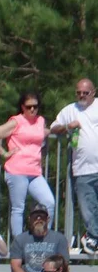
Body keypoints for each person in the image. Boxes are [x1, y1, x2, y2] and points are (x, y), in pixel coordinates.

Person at [0, 91, 53, 237]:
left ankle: (46, 238)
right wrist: (4, 153)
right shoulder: (16, 121)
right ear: (22, 107)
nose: (32, 110)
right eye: (28, 107)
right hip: (17, 170)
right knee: (18, 208)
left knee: (49, 202)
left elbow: (41, 133)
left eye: (35, 106)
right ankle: (18, 244)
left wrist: (49, 131)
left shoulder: (40, 121)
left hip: (35, 171)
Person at [52, 79, 98, 255]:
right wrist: (66, 127)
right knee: (88, 207)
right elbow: (53, 128)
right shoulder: (70, 110)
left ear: (93, 92)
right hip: (82, 168)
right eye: (78, 92)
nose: (81, 95)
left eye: (85, 92)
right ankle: (93, 237)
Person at [0, 203, 67, 272]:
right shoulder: (21, 239)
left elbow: (63, 266)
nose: (39, 219)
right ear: (30, 219)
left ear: (48, 219)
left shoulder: (59, 238)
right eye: (36, 216)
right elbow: (15, 266)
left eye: (42, 216)